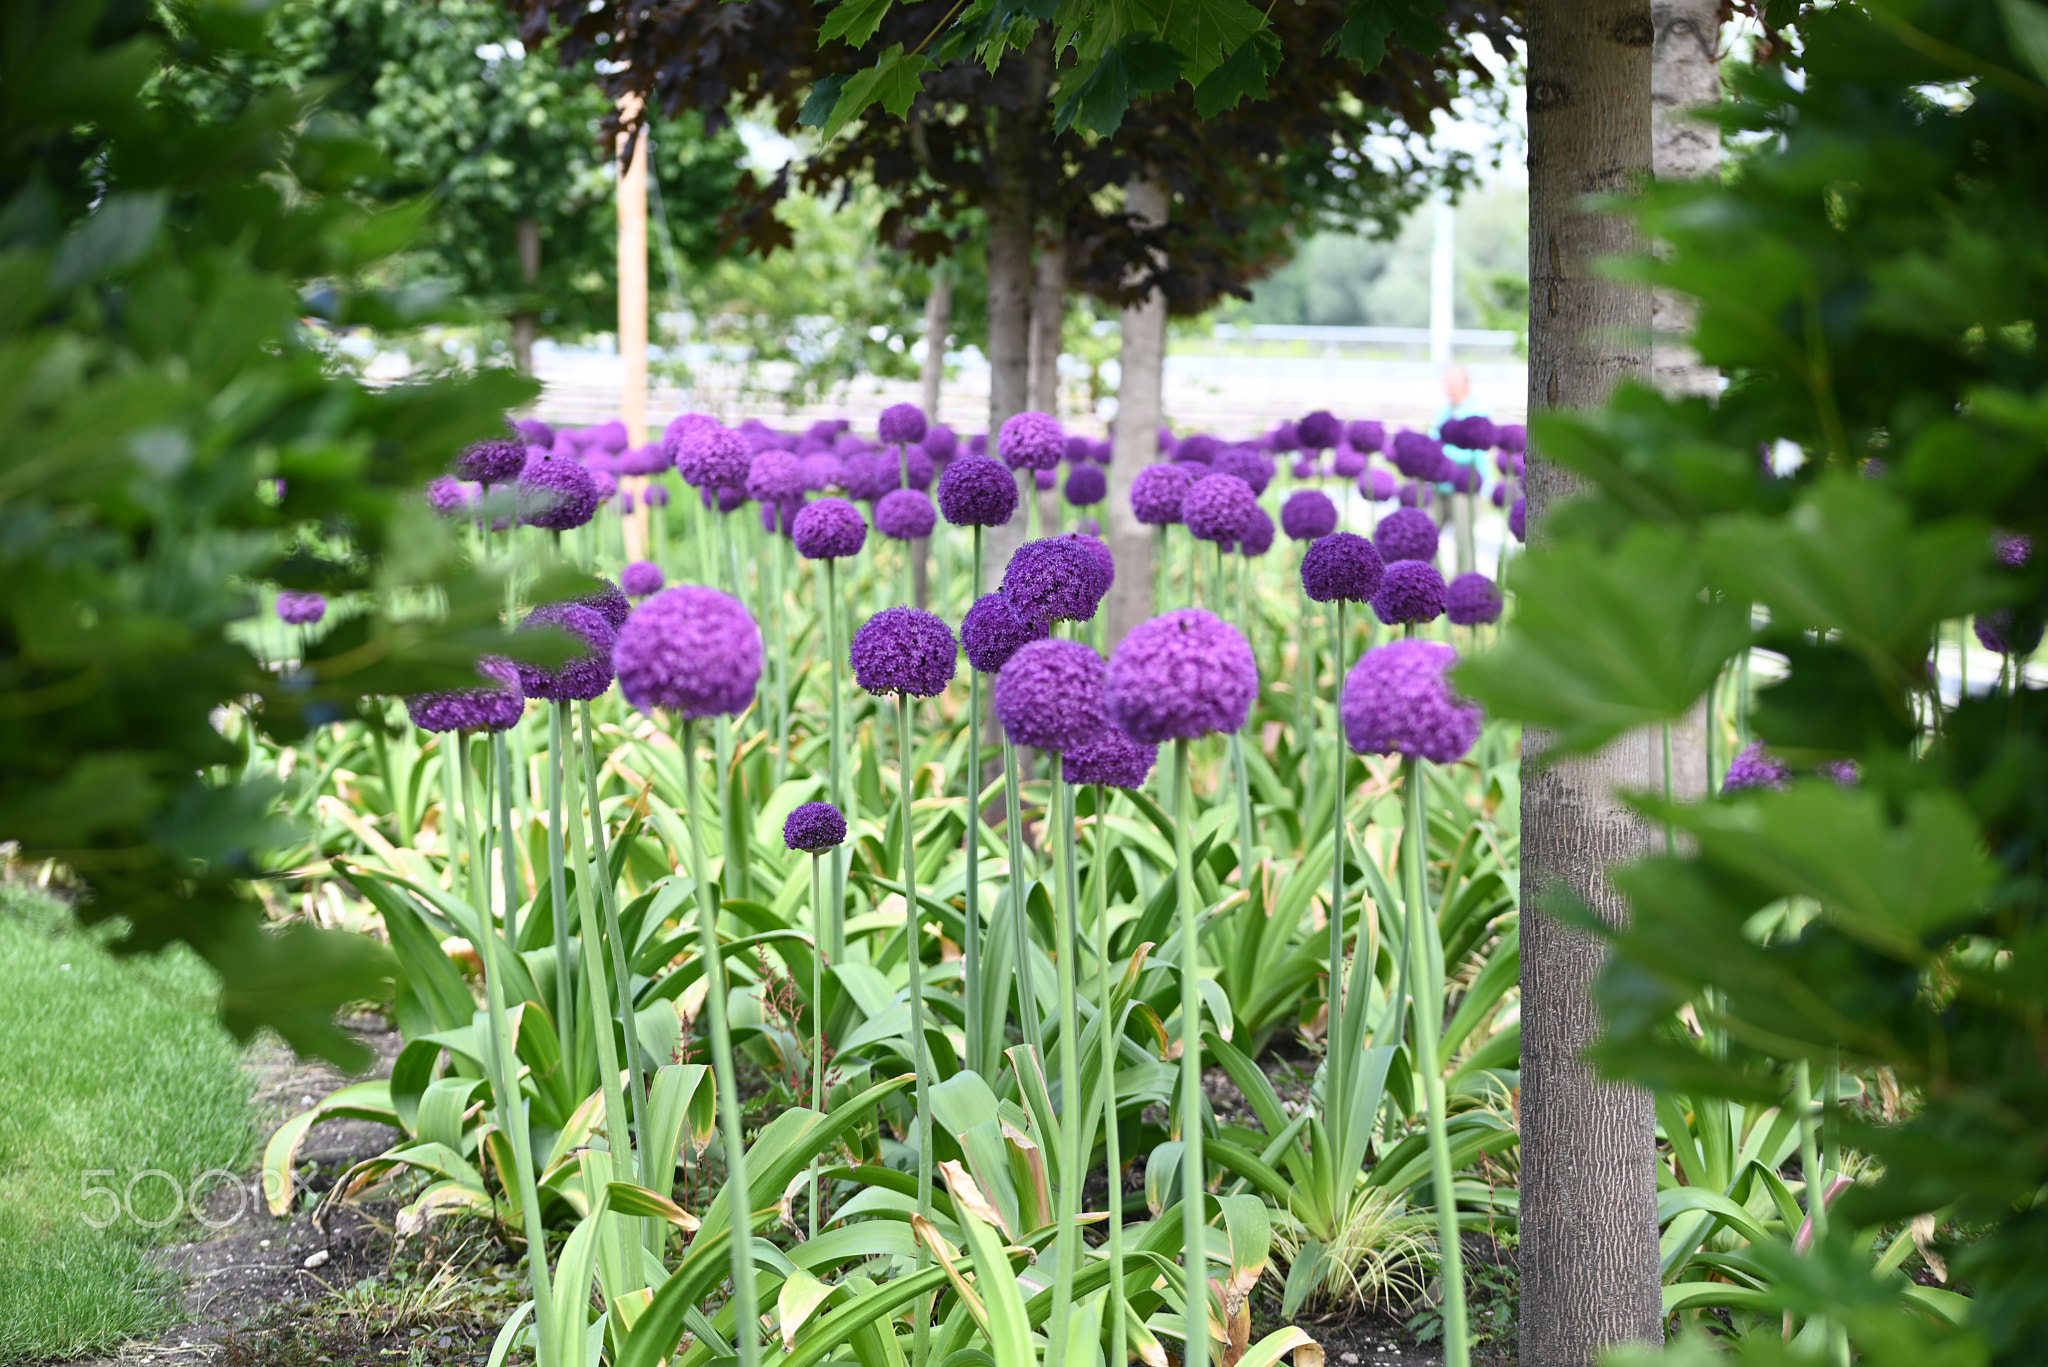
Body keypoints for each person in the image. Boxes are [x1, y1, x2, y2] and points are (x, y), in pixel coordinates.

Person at [1434, 366, 1489, 575]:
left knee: (1463, 542)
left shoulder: (1477, 410)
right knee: (1426, 536)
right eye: (1445, 382)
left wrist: (1441, 454)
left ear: (1465, 385)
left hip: (1466, 488)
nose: (1446, 387)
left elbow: (1473, 453)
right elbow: (1434, 436)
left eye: (1450, 383)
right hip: (1441, 486)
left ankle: (1465, 589)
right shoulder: (1445, 410)